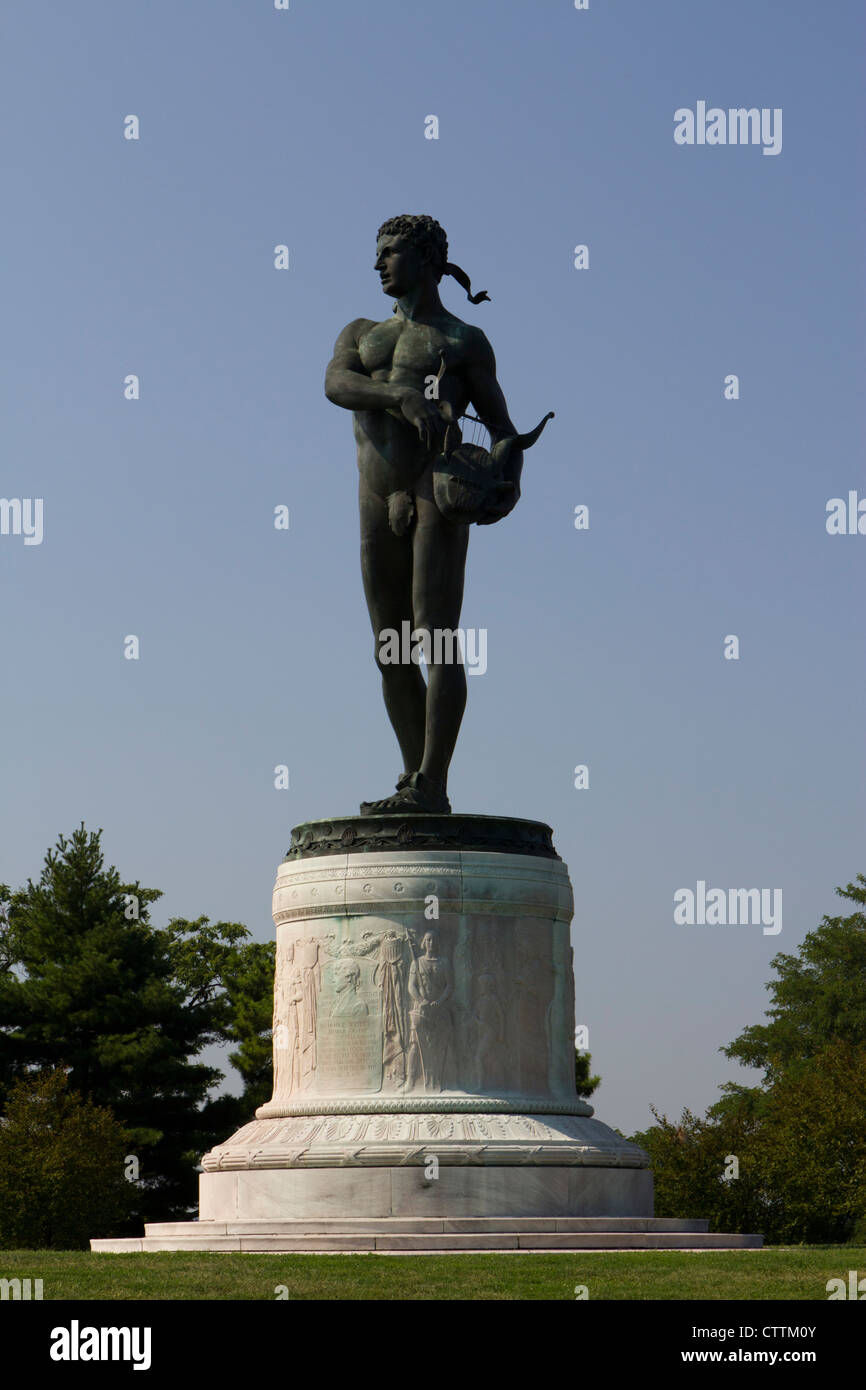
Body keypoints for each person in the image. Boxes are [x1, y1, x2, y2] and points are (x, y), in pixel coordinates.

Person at [324, 214, 524, 815]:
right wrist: (403, 396)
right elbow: (335, 384)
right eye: (378, 252)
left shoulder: (463, 340)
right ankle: (414, 777)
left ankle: (432, 782)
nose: (378, 263)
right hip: (374, 497)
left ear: (427, 258)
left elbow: (502, 429)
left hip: (435, 491)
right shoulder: (360, 333)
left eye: (389, 252)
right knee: (390, 644)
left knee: (435, 636)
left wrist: (505, 477)